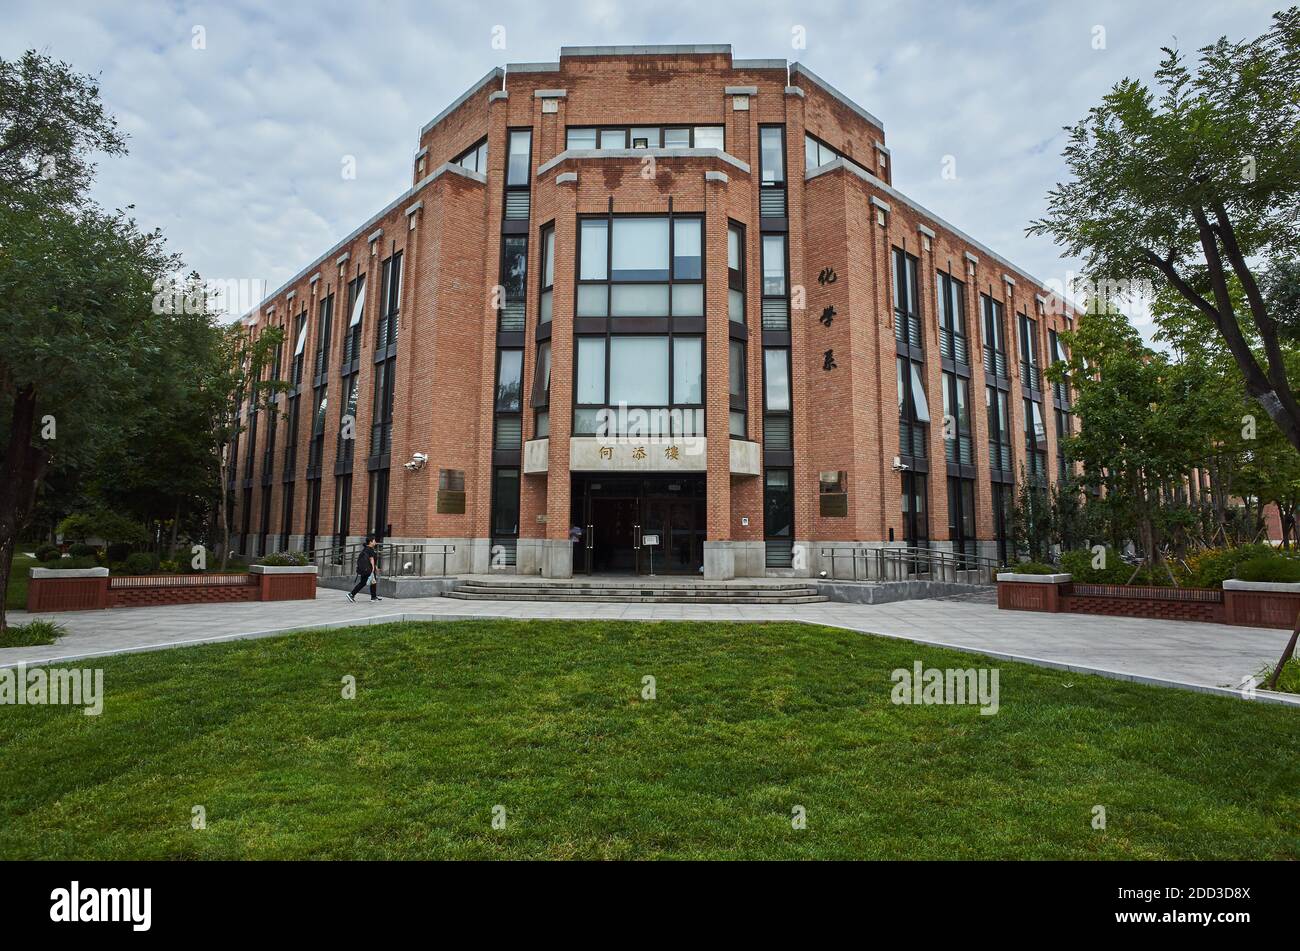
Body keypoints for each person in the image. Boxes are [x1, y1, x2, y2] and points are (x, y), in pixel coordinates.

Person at [347, 537, 382, 602]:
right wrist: (373, 569)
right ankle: (351, 594)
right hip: (369, 570)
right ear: (370, 542)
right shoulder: (370, 549)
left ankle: (373, 597)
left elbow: (372, 560)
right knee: (364, 583)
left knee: (372, 582)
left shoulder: (366, 549)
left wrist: (376, 568)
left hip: (366, 569)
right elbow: (371, 559)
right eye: (374, 541)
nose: (375, 542)